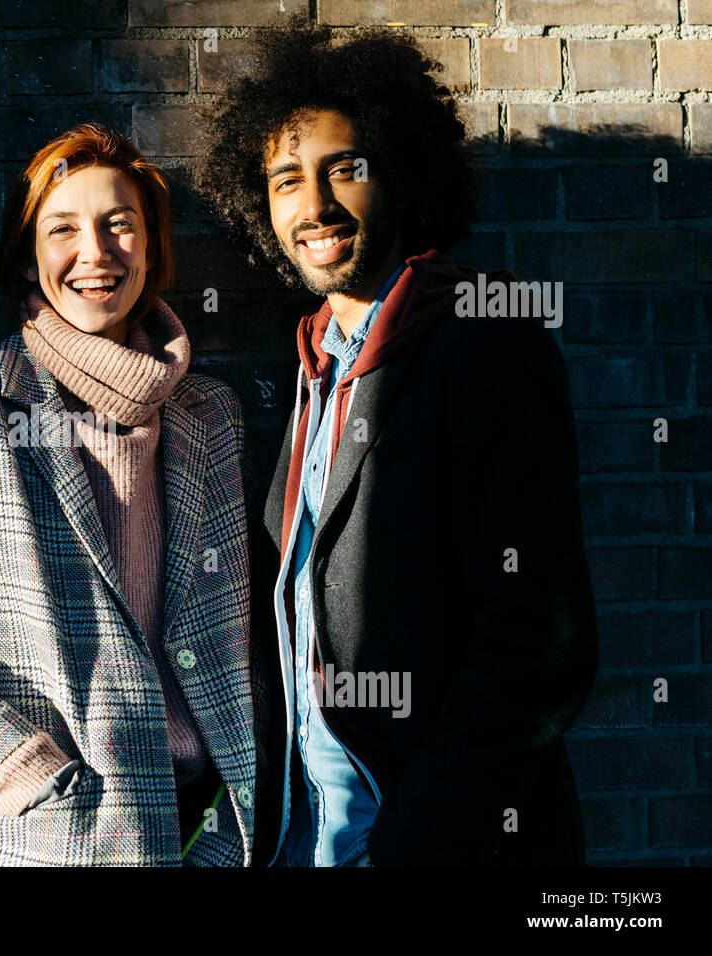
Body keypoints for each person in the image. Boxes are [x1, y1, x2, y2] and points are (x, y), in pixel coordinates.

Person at [194, 26, 598, 866]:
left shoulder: (483, 336)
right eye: (286, 180)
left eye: (346, 169)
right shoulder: (311, 365)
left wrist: (417, 833)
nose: (315, 207)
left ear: (403, 174)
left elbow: (540, 645)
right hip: (307, 840)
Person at [0, 123, 267, 866]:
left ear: (153, 247)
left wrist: (236, 811)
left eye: (119, 226)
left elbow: (236, 632)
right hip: (41, 837)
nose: (95, 252)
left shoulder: (211, 416)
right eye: (63, 228)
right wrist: (16, 769)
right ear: (29, 256)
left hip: (206, 836)